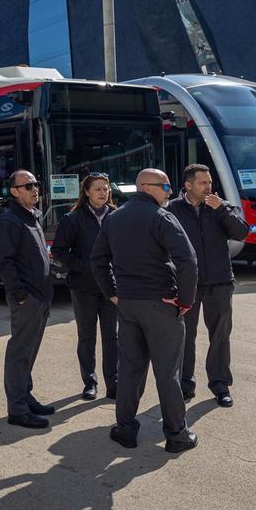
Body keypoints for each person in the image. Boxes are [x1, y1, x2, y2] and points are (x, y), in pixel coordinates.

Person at [91, 169, 199, 454]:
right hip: (161, 305)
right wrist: (185, 301)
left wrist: (113, 293)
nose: (169, 191)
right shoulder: (161, 217)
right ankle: (177, 435)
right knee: (167, 372)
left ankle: (125, 430)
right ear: (146, 187)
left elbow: (97, 259)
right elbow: (187, 261)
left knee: (129, 369)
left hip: (127, 305)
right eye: (165, 186)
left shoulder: (113, 218)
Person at [167, 164, 248, 408]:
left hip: (221, 281)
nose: (208, 187)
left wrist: (223, 209)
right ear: (188, 185)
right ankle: (184, 385)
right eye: (203, 183)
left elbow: (242, 233)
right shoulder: (172, 209)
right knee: (184, 337)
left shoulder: (220, 206)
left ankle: (220, 385)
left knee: (220, 336)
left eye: (209, 182)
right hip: (187, 284)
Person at [0, 169, 56, 429]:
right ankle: (17, 409)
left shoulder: (32, 216)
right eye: (28, 186)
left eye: (36, 184)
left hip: (41, 297)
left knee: (30, 351)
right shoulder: (10, 221)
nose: (35, 189)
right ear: (14, 192)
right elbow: (3, 262)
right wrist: (19, 294)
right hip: (27, 298)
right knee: (19, 352)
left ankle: (25, 396)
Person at [51, 173, 117, 401]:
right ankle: (90, 382)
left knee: (112, 337)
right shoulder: (73, 219)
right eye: (97, 189)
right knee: (87, 336)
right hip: (83, 287)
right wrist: (82, 266)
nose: (102, 192)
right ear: (87, 192)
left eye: (106, 189)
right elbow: (58, 251)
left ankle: (113, 382)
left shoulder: (117, 217)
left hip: (112, 288)